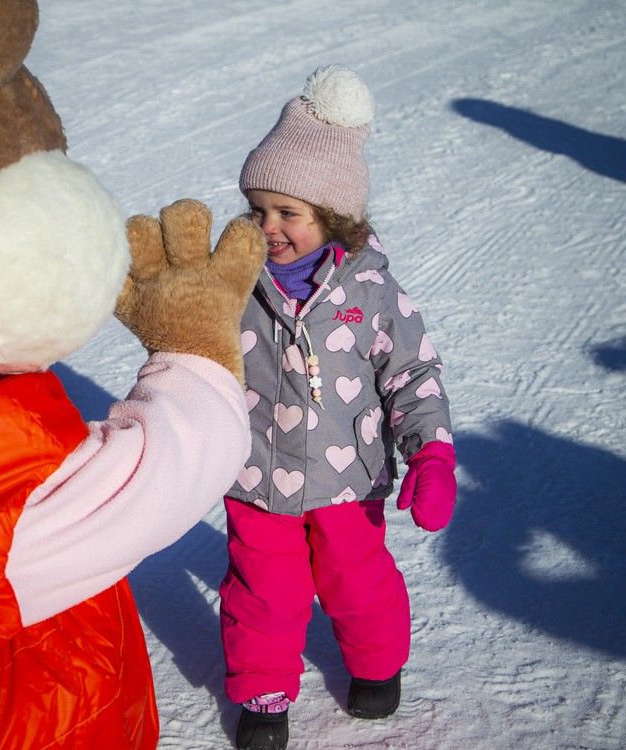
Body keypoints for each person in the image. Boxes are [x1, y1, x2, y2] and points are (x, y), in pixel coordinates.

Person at [219, 65, 456, 750]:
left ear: (334, 215)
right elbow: (197, 360)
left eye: (287, 212)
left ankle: (377, 665)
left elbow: (412, 373)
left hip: (348, 479)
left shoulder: (370, 289)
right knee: (264, 591)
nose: (267, 227)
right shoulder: (233, 282)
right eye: (257, 209)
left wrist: (432, 454)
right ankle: (264, 695)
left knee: (357, 581)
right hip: (256, 476)